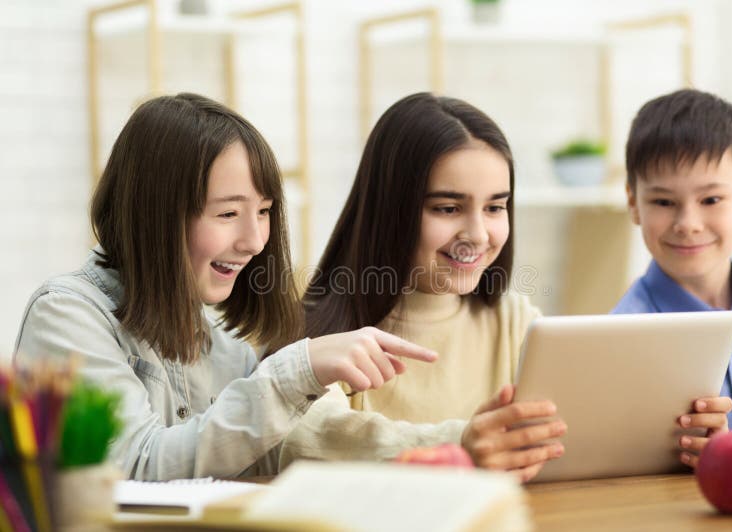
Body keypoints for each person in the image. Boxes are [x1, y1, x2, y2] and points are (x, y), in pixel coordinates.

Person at [13, 93, 438, 481]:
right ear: (154, 217)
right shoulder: (66, 316)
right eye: (228, 214)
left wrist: (450, 443)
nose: (255, 241)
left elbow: (290, 444)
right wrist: (296, 370)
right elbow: (135, 468)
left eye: (264, 211)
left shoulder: (227, 348)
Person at [281, 92, 570, 482]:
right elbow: (308, 437)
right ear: (389, 211)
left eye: (494, 207)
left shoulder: (515, 320)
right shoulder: (318, 330)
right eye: (448, 208)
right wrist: (458, 446)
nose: (478, 235)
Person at [613, 88, 732, 463]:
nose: (688, 224)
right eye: (663, 202)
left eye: (711, 200)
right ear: (634, 202)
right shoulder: (619, 342)